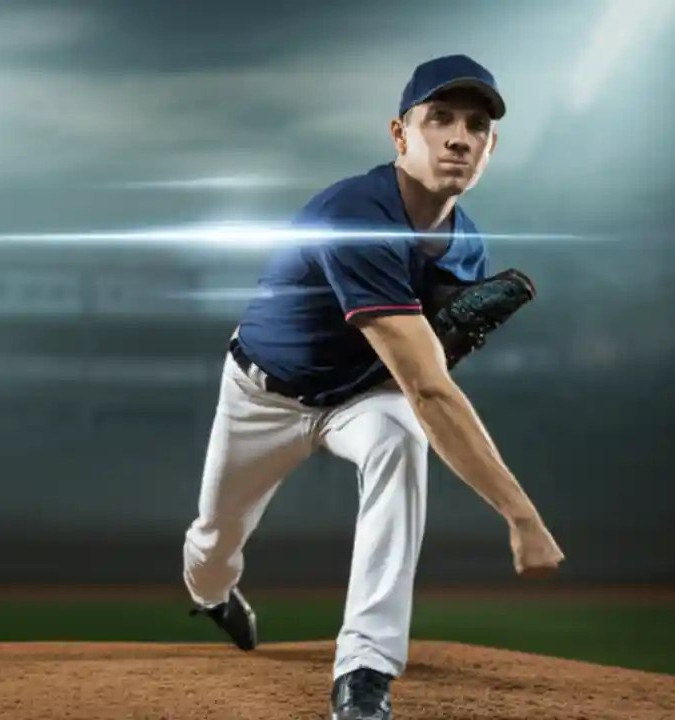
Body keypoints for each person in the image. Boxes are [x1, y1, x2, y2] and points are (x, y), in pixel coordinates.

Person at [182, 54, 565, 720]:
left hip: (362, 396)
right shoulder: (353, 215)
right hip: (263, 398)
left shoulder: (467, 246)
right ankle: (215, 595)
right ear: (399, 135)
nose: (458, 136)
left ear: (491, 146)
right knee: (213, 543)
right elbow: (431, 387)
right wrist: (522, 516)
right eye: (438, 117)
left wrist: (442, 344)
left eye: (476, 125)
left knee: (402, 442)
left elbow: (423, 378)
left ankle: (364, 672)